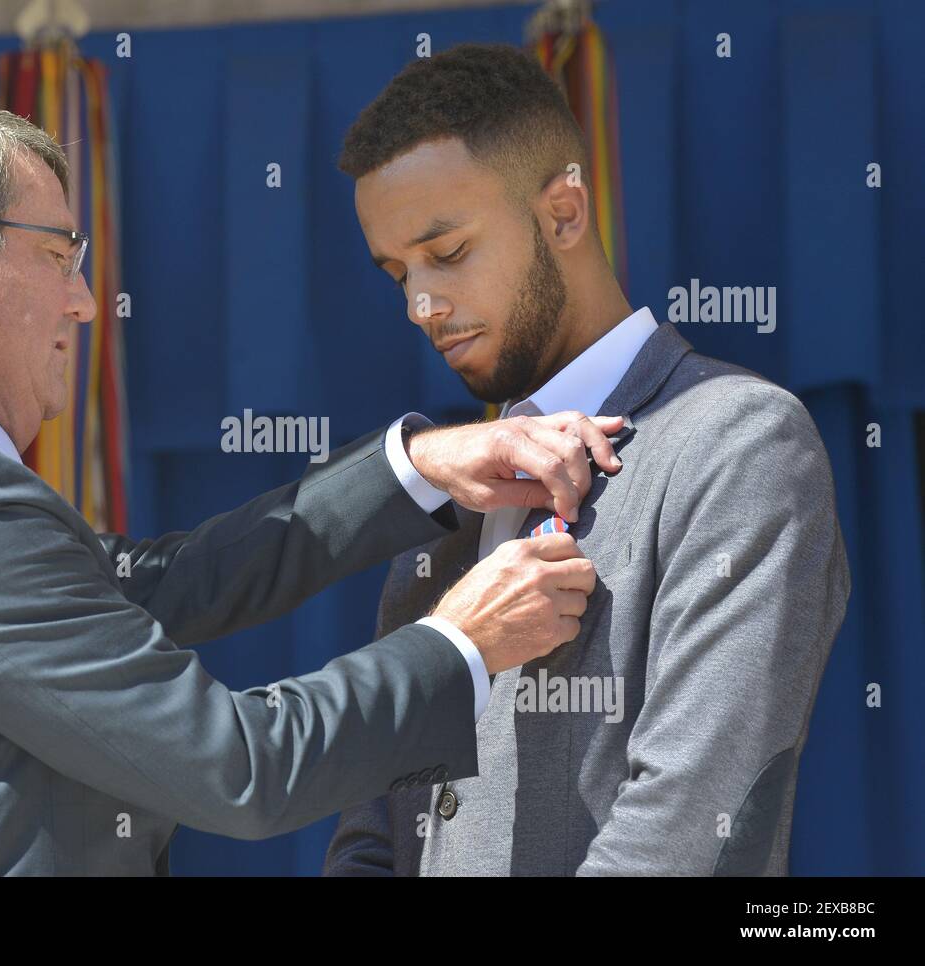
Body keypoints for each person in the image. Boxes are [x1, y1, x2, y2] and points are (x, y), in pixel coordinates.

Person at [0, 95, 625, 875]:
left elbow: (152, 586)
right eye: (59, 254)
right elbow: (240, 767)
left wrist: (415, 466)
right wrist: (464, 641)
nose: (84, 301)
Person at [323, 43, 850, 876]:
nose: (422, 305)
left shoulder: (739, 440)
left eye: (448, 252)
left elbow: (682, 831)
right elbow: (374, 836)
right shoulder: (450, 491)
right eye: (398, 275)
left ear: (564, 213)